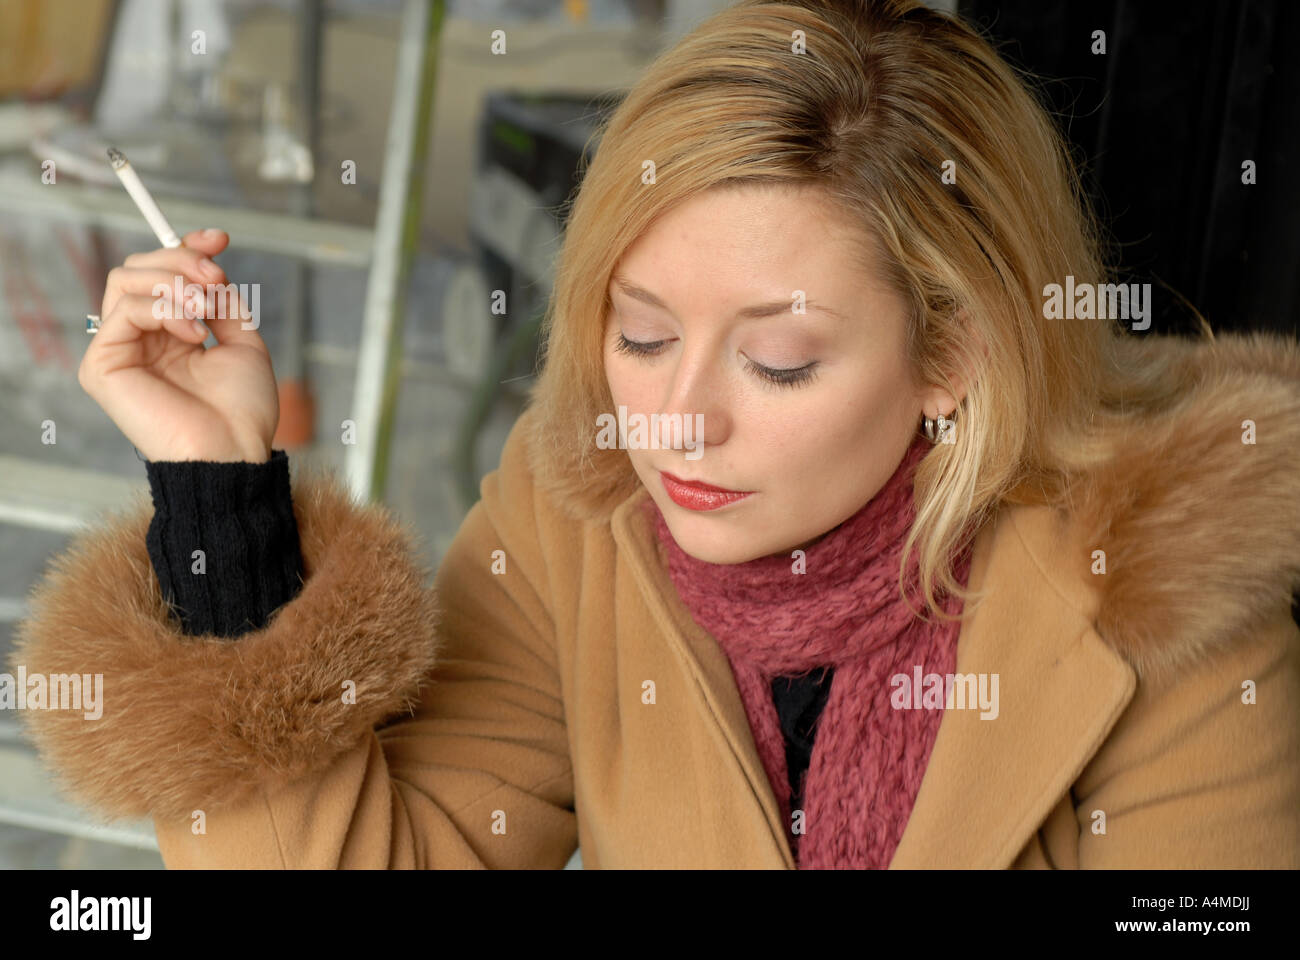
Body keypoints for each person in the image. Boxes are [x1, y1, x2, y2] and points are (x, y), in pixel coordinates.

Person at [14, 0, 1300, 869]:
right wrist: (219, 491)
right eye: (637, 337)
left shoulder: (1162, 577)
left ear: (952, 358)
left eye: (777, 359)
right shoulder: (580, 518)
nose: (677, 419)